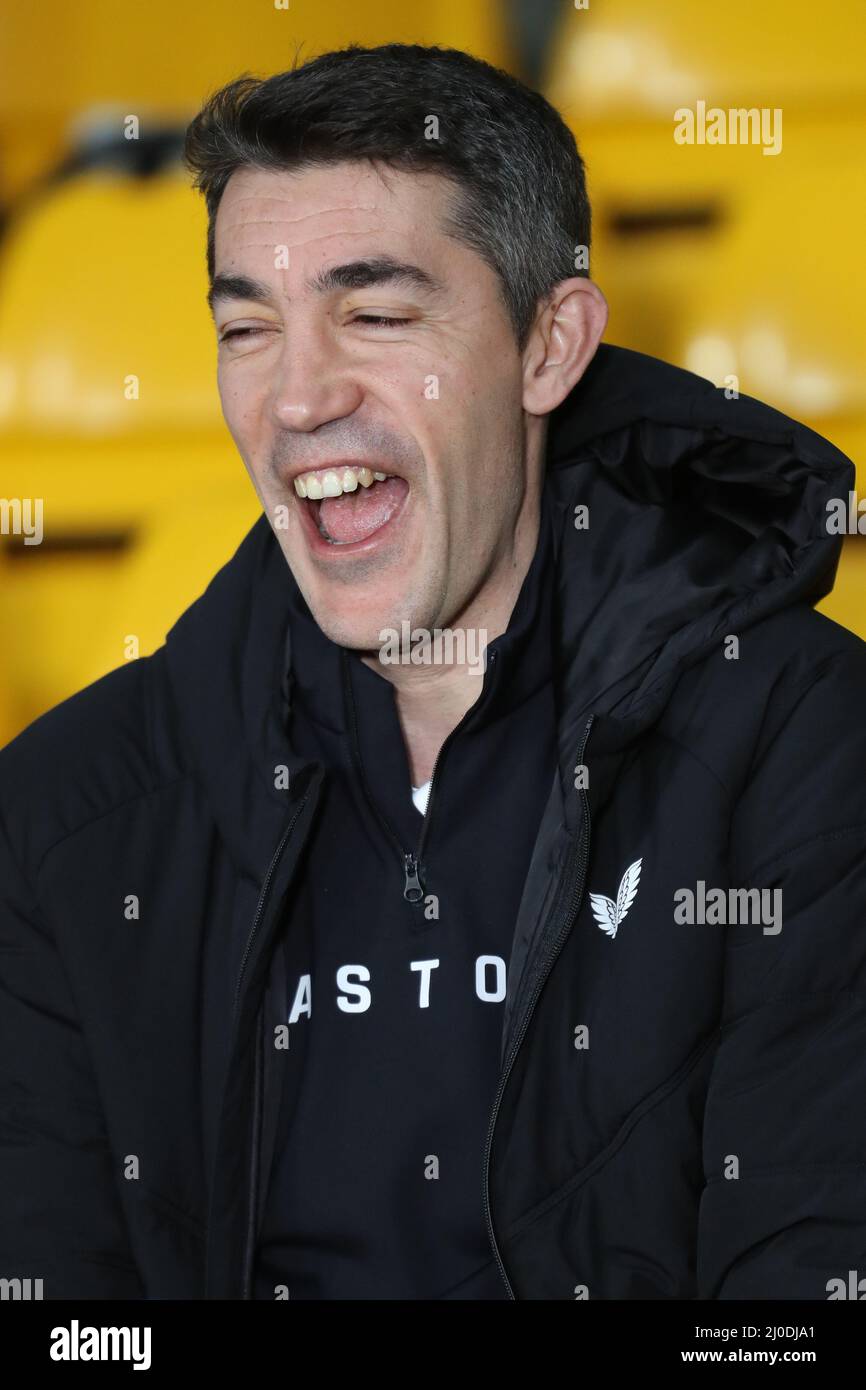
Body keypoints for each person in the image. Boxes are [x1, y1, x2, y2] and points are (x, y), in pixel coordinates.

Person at [1, 43, 865, 1302]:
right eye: (248, 327)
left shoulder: (795, 740)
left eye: (376, 314)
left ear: (548, 346)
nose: (296, 398)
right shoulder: (70, 813)